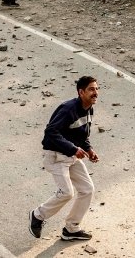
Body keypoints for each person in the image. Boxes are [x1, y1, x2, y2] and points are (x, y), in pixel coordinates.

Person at [29, 76, 100, 242]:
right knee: (67, 192)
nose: (95, 93)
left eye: (96, 89)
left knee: (87, 189)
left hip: (70, 155)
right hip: (55, 156)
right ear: (80, 92)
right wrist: (73, 149)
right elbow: (51, 133)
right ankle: (37, 215)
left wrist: (89, 149)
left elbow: (81, 134)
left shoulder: (89, 108)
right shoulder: (68, 109)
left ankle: (71, 228)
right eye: (91, 89)